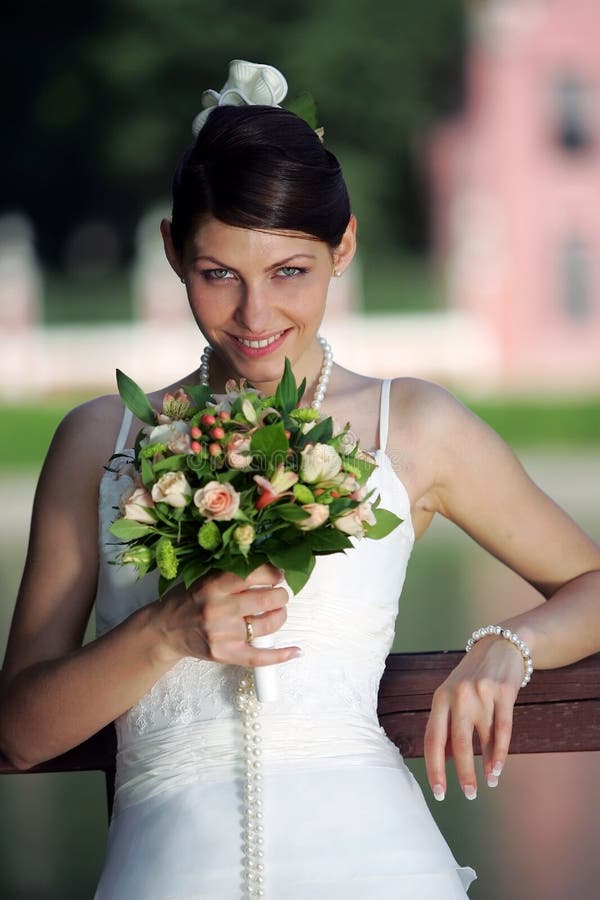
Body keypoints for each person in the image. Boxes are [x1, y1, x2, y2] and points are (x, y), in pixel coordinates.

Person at [1, 59, 600, 900]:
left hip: (383, 871)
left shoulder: (414, 427)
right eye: (219, 274)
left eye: (290, 272)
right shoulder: (100, 440)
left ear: (342, 246)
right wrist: (165, 633)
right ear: (173, 251)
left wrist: (507, 647)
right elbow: (19, 737)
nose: (255, 316)